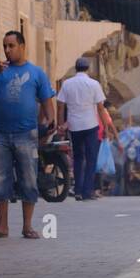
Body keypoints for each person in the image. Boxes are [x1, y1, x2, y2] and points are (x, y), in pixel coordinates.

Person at [0, 30, 56, 238]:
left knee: (29, 179)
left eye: (11, 46)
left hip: (27, 134)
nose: (7, 50)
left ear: (22, 46)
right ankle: (2, 226)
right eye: (5, 46)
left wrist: (50, 121)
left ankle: (27, 226)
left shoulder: (36, 73)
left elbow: (46, 101)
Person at [56, 57, 108, 200]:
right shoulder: (94, 84)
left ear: (76, 68)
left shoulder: (67, 84)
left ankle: (78, 190)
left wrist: (61, 124)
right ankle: (87, 191)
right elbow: (101, 108)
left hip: (74, 126)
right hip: (91, 125)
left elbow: (60, 105)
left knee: (78, 157)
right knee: (91, 158)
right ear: (88, 69)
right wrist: (106, 128)